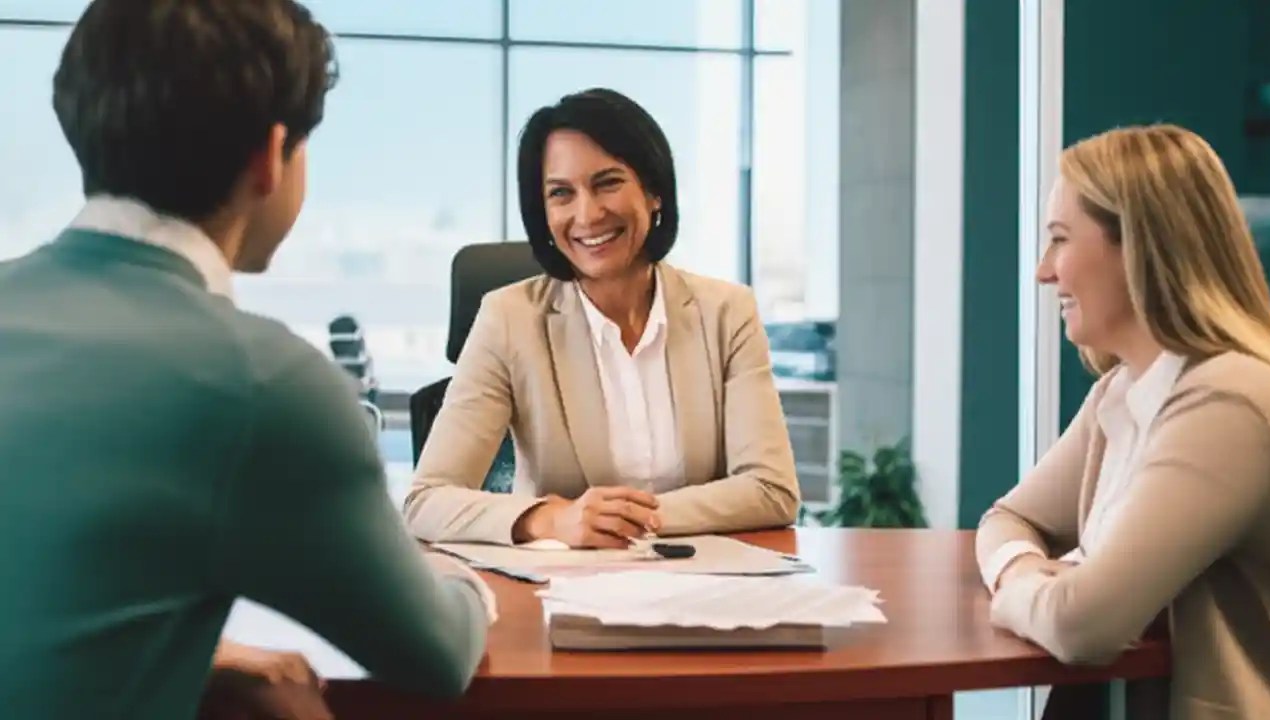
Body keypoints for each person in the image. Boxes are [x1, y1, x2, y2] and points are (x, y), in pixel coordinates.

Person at [0, 2, 495, 718]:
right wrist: (472, 586)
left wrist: (197, 651)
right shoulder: (262, 381)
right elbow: (438, 653)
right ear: (271, 155)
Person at [404, 88, 800, 548]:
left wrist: (627, 519)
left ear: (654, 192)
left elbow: (772, 490)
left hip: (704, 586)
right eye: (561, 194)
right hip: (565, 595)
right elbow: (427, 501)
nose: (587, 215)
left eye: (608, 182)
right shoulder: (509, 320)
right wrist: (554, 519)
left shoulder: (727, 313)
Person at [976, 124, 1270, 719]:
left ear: (1137, 246)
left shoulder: (1229, 403)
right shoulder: (1124, 389)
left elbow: (1083, 624)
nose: (1044, 272)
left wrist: (1015, 591)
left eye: (1059, 241)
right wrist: (1025, 566)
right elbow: (1009, 517)